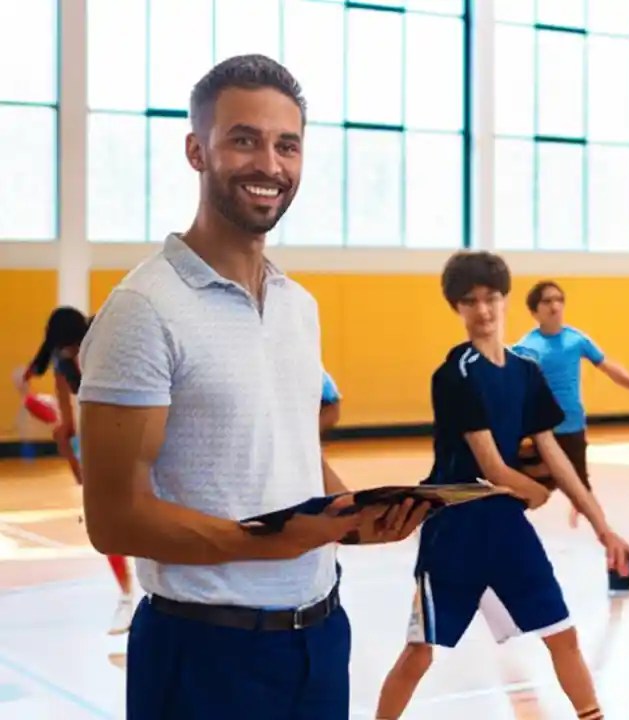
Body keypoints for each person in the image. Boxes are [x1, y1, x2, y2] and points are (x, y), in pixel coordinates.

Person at [76, 55, 428, 720]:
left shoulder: (298, 304)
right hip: (204, 653)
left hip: (320, 640)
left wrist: (352, 517)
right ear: (196, 150)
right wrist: (277, 541)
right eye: (244, 139)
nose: (269, 164)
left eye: (286, 144)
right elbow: (114, 517)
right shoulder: (143, 309)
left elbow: (288, 456)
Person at [374, 251, 629, 720]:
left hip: (503, 526)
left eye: (491, 299)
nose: (482, 311)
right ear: (456, 307)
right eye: (469, 301)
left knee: (563, 635)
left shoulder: (525, 371)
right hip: (453, 528)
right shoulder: (455, 374)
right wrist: (534, 493)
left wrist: (604, 528)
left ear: (505, 300)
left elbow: (554, 453)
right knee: (420, 652)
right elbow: (492, 467)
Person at [18, 306, 135, 634]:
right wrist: (68, 446)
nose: (71, 353)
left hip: (133, 422)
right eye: (65, 350)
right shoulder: (61, 362)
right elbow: (68, 422)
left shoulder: (109, 339)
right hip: (98, 429)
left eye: (74, 347)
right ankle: (126, 596)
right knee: (104, 516)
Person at [513, 280, 629, 528]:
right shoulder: (526, 347)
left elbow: (609, 368)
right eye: (547, 301)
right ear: (535, 312)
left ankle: (609, 542)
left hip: (573, 428)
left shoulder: (576, 340)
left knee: (583, 492)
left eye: (559, 300)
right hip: (542, 433)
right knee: (527, 489)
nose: (555, 306)